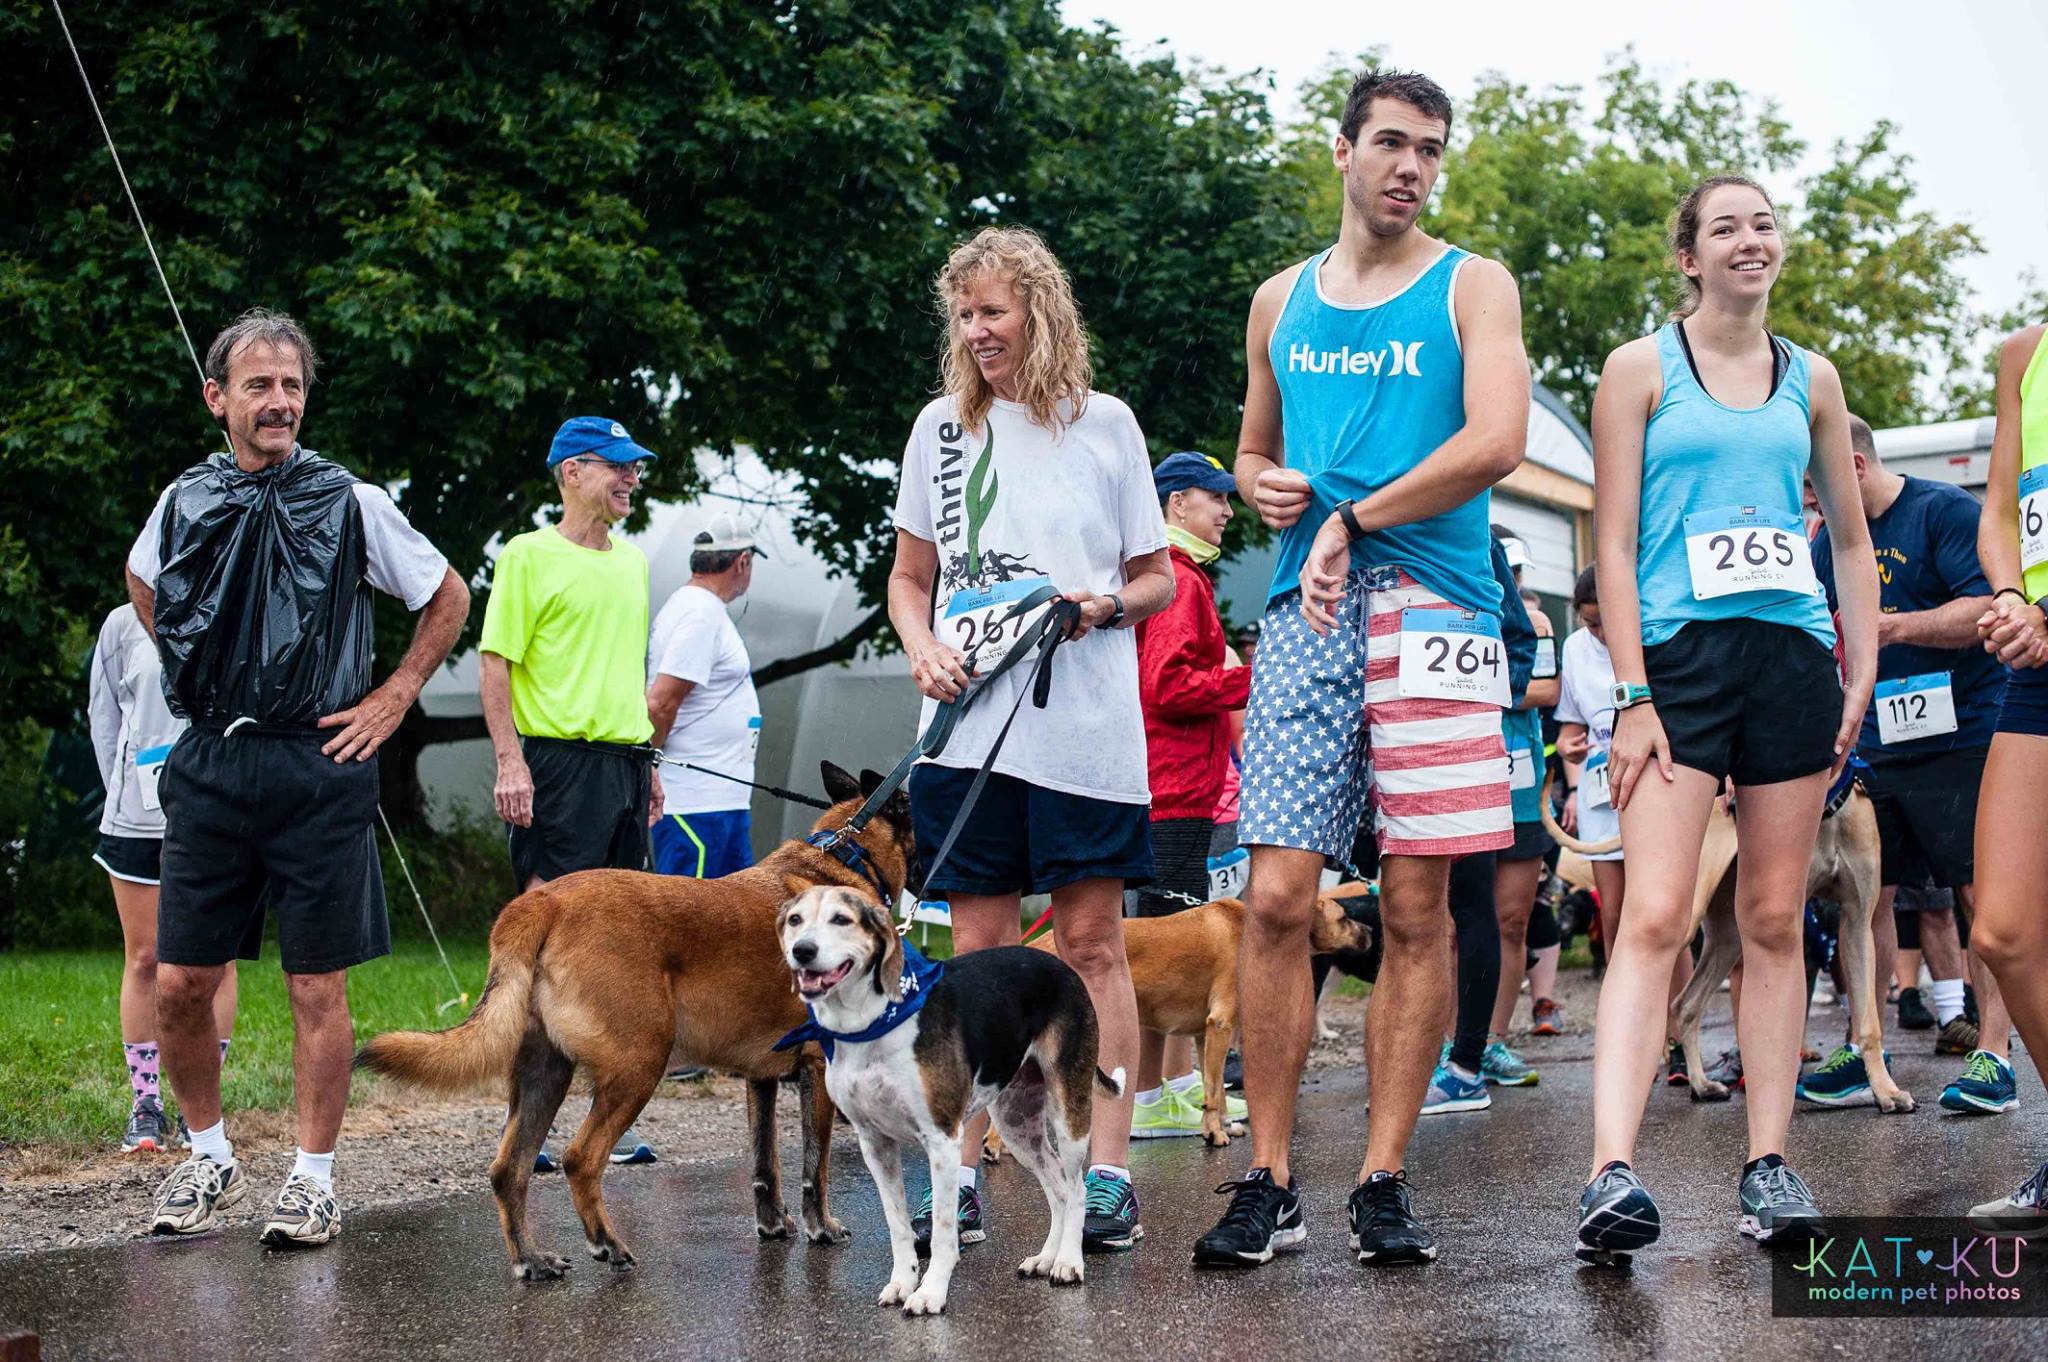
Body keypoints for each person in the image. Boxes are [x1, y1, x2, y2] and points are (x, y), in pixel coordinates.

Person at [1192, 67, 1530, 1270]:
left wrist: (1352, 516)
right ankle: (1267, 1179)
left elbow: (1496, 442)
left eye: (1429, 150)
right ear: (1339, 149)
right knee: (1276, 899)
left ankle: (1380, 1178)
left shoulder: (1470, 285)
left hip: (1435, 609)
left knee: (1414, 905)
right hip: (1303, 614)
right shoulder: (1278, 297)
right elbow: (1250, 444)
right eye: (1390, 142)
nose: (1411, 167)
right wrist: (1258, 483)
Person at [1575, 175, 1876, 1263]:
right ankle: (1608, 1172)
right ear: (1686, 257)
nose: (1750, 241)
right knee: (1653, 913)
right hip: (1676, 664)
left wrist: (1859, 667)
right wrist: (1629, 694)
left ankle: (1766, 1164)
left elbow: (1844, 542)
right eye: (1724, 228)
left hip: (1791, 660)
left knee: (1770, 918)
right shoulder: (1638, 369)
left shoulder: (1813, 377)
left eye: (1762, 224)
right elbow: (1608, 546)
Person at [124, 309, 468, 1247]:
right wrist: (193, 662)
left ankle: (313, 1180)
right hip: (212, 761)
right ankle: (209, 1158)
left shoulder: (350, 499)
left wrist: (394, 695)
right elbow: (141, 579)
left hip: (320, 760)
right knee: (182, 980)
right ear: (217, 398)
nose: (279, 403)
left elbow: (446, 594)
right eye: (258, 386)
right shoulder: (184, 500)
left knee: (316, 989)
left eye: (292, 386)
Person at [886, 225, 1172, 1254]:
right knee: (976, 957)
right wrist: (920, 648)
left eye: (992, 312)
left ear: (1038, 313)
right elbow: (908, 580)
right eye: (962, 316)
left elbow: (1157, 577)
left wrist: (1104, 604)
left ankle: (1107, 1174)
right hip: (965, 738)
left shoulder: (1107, 426)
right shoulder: (938, 431)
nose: (975, 332)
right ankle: (957, 1177)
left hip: (1082, 729)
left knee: (1092, 945)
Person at [1800, 416, 2016, 1112]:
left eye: (1818, 489)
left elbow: (1989, 609)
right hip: (1872, 748)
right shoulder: (1828, 542)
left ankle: (1995, 1057)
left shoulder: (1943, 511)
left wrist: (1887, 626)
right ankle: (1868, 1050)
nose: (1814, 507)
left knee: (1981, 900)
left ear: (1853, 466)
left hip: (1962, 739)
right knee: (1867, 901)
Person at [479, 415, 666, 1167]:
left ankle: (603, 1122)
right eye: (616, 467)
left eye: (634, 468)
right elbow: (496, 665)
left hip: (625, 762)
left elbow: (626, 672)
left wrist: (647, 766)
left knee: (619, 952)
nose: (631, 480)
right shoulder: (527, 555)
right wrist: (508, 762)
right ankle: (526, 1129)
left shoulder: (634, 564)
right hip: (556, 764)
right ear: (572, 472)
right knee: (548, 945)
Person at [1129, 451, 1252, 1140]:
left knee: (1171, 944)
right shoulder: (1178, 579)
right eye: (1217, 499)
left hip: (1179, 790)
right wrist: (1246, 681)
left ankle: (1174, 1088)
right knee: (1161, 951)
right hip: (1170, 791)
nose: (1228, 512)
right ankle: (1149, 1098)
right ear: (1178, 504)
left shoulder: (1182, 577)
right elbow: (1166, 686)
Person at [88, 602, 237, 1153]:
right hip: (138, 818)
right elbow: (103, 718)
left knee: (216, 963)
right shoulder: (123, 624)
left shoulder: (231, 607)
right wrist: (124, 791)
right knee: (146, 958)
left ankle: (197, 1100)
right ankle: (145, 1104)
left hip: (216, 812)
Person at [1963, 321, 2048, 1236]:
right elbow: (1999, 511)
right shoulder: (2026, 354)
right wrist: (2014, 600)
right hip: (2039, 659)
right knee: (2005, 929)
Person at [1555, 566, 1694, 1080]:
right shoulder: (1574, 650)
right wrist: (1570, 747)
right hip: (1599, 788)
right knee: (1614, 917)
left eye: (1606, 621)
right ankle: (1638, 1039)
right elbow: (1571, 722)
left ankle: (1681, 1035)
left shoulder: (1654, 632)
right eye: (1591, 624)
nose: (1601, 633)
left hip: (1657, 777)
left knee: (1664, 914)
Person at [1422, 534, 1543, 1114]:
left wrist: (1484, 700)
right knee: (1414, 913)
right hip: (1398, 743)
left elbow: (1519, 642)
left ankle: (1470, 1058)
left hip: (1475, 752)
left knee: (1482, 908)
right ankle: (1420, 1056)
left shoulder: (1479, 541)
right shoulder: (1361, 518)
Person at [647, 513, 765, 881]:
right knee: (690, 929)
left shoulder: (703, 609)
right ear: (742, 561)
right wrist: (648, 767)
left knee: (734, 928)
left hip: (721, 798)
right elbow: (661, 702)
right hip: (696, 803)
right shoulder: (699, 613)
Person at [1487, 536, 1561, 1061]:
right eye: (1504, 567)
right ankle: (1449, 1043)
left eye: (1516, 568)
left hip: (1522, 785)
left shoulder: (1536, 623)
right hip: (1469, 778)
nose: (1512, 578)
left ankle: (1493, 1040)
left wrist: (1480, 686)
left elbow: (1548, 691)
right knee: (1455, 922)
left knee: (1512, 920)